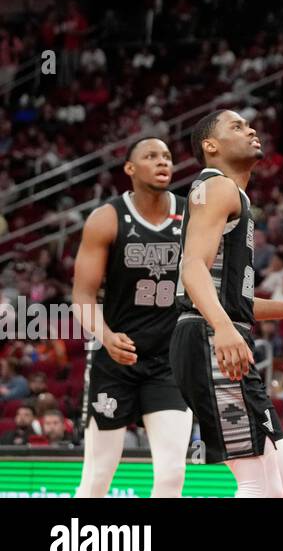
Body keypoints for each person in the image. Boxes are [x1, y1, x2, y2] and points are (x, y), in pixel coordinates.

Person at [171, 111, 283, 498]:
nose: (250, 129)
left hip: (216, 331)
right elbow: (192, 266)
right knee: (259, 486)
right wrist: (223, 327)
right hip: (208, 336)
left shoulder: (233, 195)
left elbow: (231, 295)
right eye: (235, 127)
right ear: (209, 146)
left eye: (249, 125)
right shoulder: (217, 187)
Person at [68, 137, 192, 499]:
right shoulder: (106, 218)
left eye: (167, 156)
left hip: (168, 361)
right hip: (115, 358)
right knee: (98, 477)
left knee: (172, 472)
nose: (162, 162)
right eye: (151, 156)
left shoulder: (191, 215)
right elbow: (82, 295)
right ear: (130, 169)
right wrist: (106, 336)